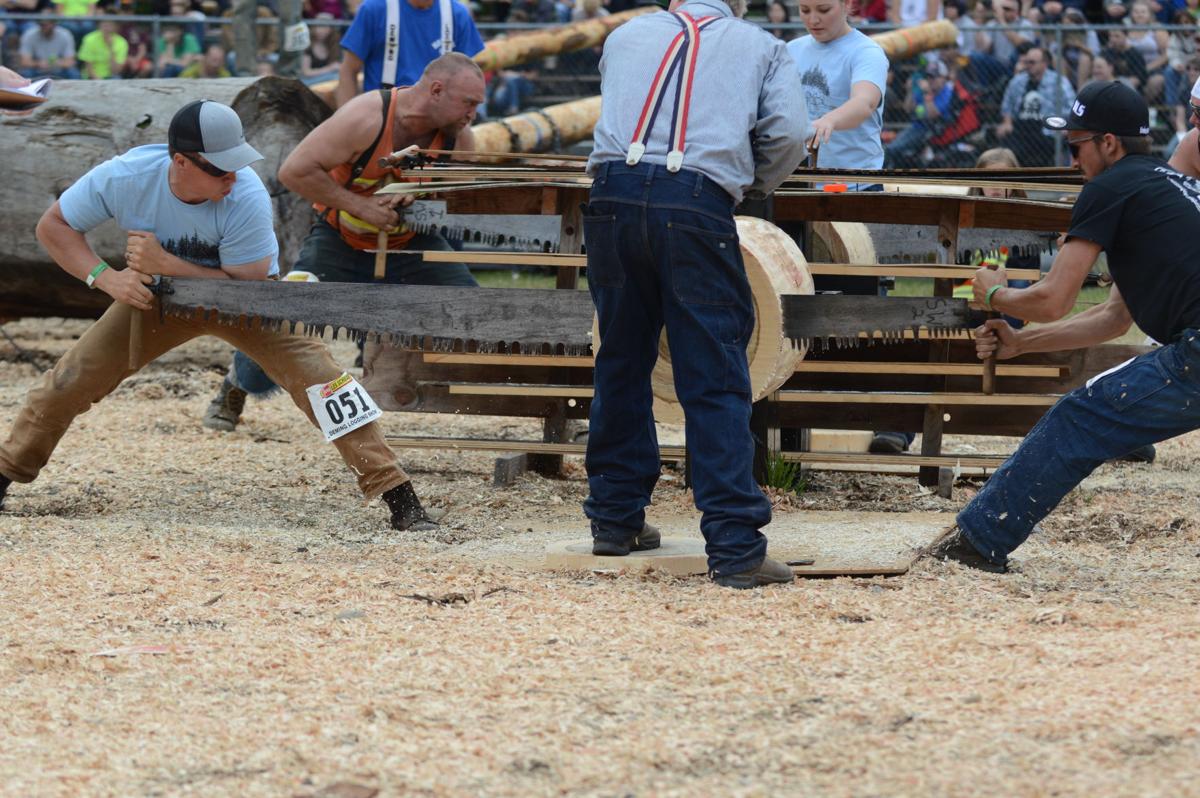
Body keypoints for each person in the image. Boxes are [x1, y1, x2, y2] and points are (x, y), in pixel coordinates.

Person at [0, 100, 438, 532]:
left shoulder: (246, 195)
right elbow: (53, 226)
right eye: (219, 169)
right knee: (70, 379)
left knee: (325, 383)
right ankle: (5, 475)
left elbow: (241, 287)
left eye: (236, 165)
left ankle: (400, 498)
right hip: (159, 299)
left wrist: (167, 263)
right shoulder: (126, 176)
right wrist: (106, 278)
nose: (232, 177)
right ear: (180, 162)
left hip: (247, 301)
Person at [931, 80, 1200, 573]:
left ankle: (975, 544)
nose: (1073, 160)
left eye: (1077, 146)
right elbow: (1113, 317)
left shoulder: (1110, 186)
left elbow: (1054, 299)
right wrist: (1020, 342)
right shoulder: (1162, 184)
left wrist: (993, 293)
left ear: (1109, 144)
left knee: (1079, 418)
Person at [584, 0, 807, 587]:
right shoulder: (764, 46)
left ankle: (613, 519)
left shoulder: (627, 33)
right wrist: (746, 184)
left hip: (610, 196)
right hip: (695, 200)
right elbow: (789, 135)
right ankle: (735, 547)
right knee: (714, 373)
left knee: (621, 359)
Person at [201, 53, 483, 431]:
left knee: (480, 315)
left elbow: (462, 195)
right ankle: (237, 384)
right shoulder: (366, 116)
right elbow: (294, 171)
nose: (473, 114)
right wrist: (361, 207)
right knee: (283, 322)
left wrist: (419, 197)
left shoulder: (459, 138)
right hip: (341, 242)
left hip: (412, 245)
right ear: (436, 90)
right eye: (469, 103)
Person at [787, 0, 887, 174]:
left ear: (846, 4)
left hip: (855, 182)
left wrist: (829, 120)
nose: (813, 19)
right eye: (804, 10)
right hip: (799, 180)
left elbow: (865, 102)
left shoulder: (866, 51)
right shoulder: (791, 50)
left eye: (824, 10)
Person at [335, 0, 485, 110]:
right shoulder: (375, 9)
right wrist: (345, 119)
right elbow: (348, 70)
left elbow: (466, 80)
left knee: (465, 139)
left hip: (438, 117)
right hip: (383, 115)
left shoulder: (457, 14)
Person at [996, 44, 1075, 167]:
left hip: (1046, 131)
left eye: (1032, 62)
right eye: (1026, 62)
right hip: (1020, 130)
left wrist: (1063, 127)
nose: (1028, 66)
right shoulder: (1018, 81)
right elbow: (1007, 106)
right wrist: (1007, 122)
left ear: (1044, 63)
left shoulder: (1059, 82)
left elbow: (1071, 107)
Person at [77, 15, 128, 80]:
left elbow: (116, 71)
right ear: (99, 26)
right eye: (104, 25)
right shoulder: (89, 39)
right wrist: (99, 80)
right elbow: (88, 66)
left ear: (115, 27)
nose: (106, 28)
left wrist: (110, 48)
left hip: (111, 77)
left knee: (117, 79)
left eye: (109, 25)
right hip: (91, 77)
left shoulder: (122, 42)